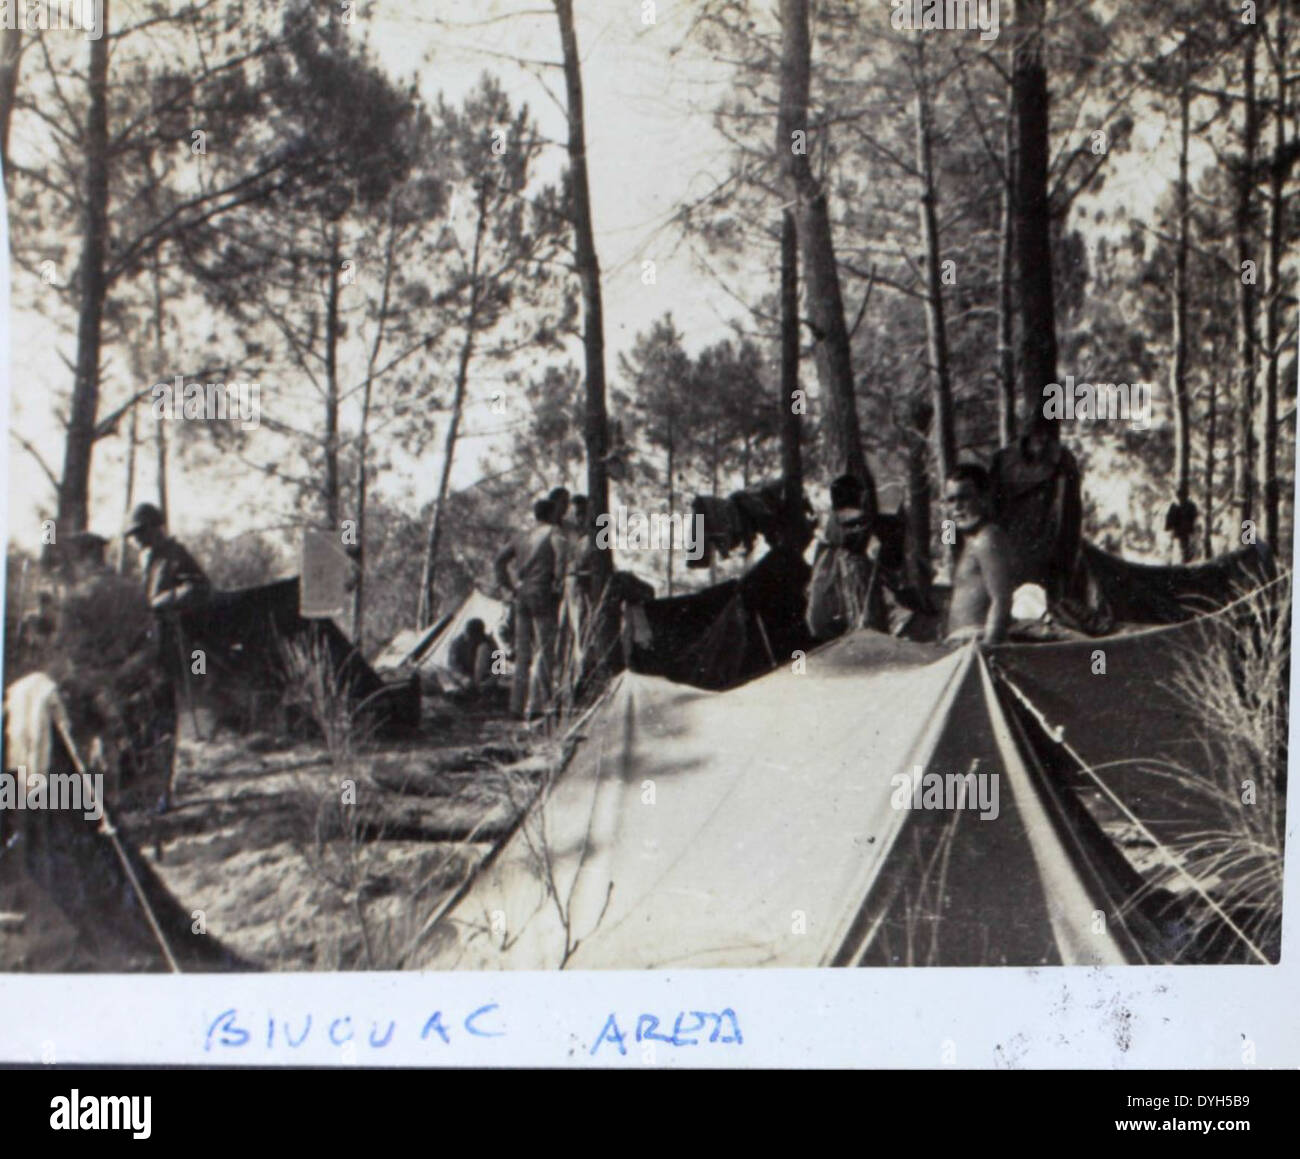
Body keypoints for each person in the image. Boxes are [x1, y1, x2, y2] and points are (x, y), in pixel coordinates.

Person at [124, 502, 211, 809]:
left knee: (162, 719)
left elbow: (201, 588)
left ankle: (163, 791)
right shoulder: (149, 560)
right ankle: (147, 788)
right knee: (144, 719)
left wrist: (163, 601)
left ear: (154, 528)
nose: (134, 539)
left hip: (168, 648)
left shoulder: (175, 555)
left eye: (138, 532)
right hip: (146, 651)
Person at [494, 498, 565, 719]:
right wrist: (558, 584)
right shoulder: (554, 533)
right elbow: (561, 561)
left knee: (523, 653)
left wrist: (509, 587)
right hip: (543, 594)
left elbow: (498, 562)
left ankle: (516, 706)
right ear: (552, 513)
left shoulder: (521, 537)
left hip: (522, 595)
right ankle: (537, 706)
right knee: (544, 651)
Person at [943, 464, 1012, 645]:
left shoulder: (987, 537)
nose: (957, 506)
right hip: (958, 644)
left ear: (983, 497)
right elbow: (947, 539)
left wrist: (989, 648)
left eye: (964, 498)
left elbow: (1001, 600)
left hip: (977, 643)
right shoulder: (965, 540)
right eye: (951, 500)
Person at [447, 617, 495, 694]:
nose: (469, 638)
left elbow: (499, 665)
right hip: (463, 678)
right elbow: (452, 665)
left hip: (483, 679)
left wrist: (491, 681)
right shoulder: (457, 643)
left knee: (484, 649)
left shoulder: (489, 642)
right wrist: (463, 678)